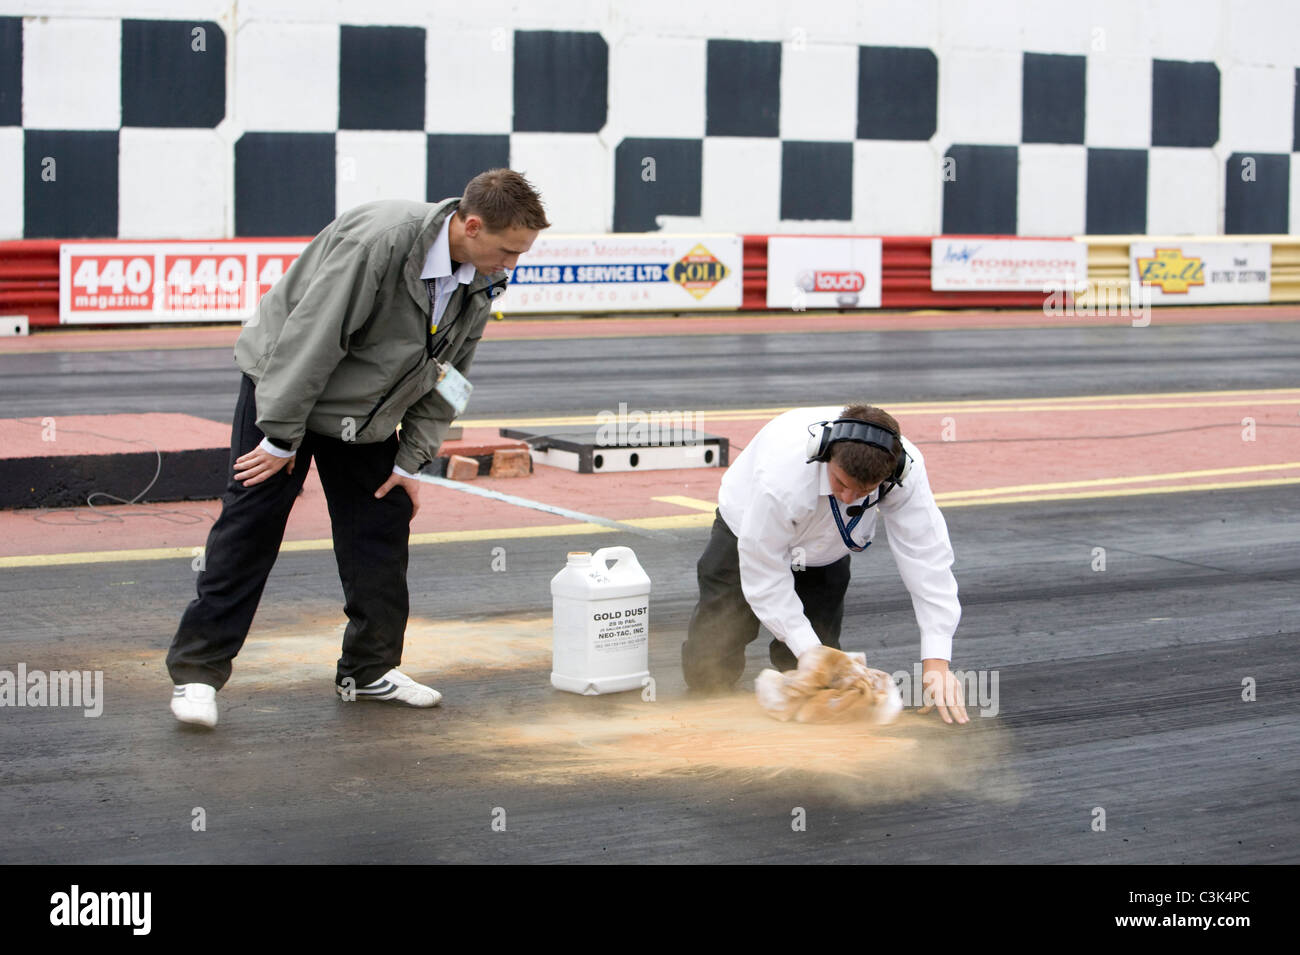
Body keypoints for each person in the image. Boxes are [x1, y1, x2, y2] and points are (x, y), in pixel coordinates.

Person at [167, 169, 550, 728]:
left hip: (362, 411)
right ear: (471, 224)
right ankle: (198, 674)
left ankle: (367, 673)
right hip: (288, 386)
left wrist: (411, 458)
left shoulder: (482, 276)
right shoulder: (381, 244)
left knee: (382, 521)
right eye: (508, 250)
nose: (512, 264)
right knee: (251, 523)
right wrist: (278, 436)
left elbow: (451, 373)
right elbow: (311, 339)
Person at [680, 403, 969, 724]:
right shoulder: (781, 479)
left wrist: (937, 659)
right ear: (824, 454)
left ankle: (807, 727)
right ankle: (705, 710)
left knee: (822, 658)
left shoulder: (906, 473)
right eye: (841, 483)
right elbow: (764, 576)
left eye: (865, 492)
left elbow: (926, 557)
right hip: (746, 529)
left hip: (825, 549)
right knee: (717, 642)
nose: (849, 498)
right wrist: (809, 651)